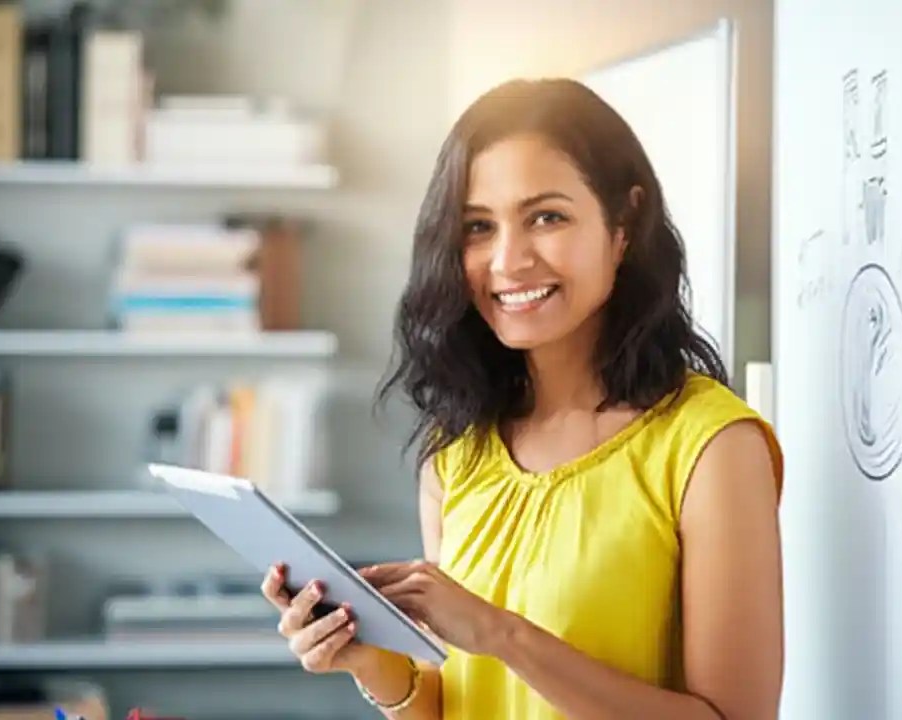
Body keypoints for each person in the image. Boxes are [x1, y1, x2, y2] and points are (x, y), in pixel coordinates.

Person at [260, 77, 785, 719]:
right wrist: (369, 662)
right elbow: (456, 703)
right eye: (478, 227)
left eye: (546, 217)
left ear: (624, 225)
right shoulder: (457, 452)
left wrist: (503, 635)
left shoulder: (710, 445)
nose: (508, 261)